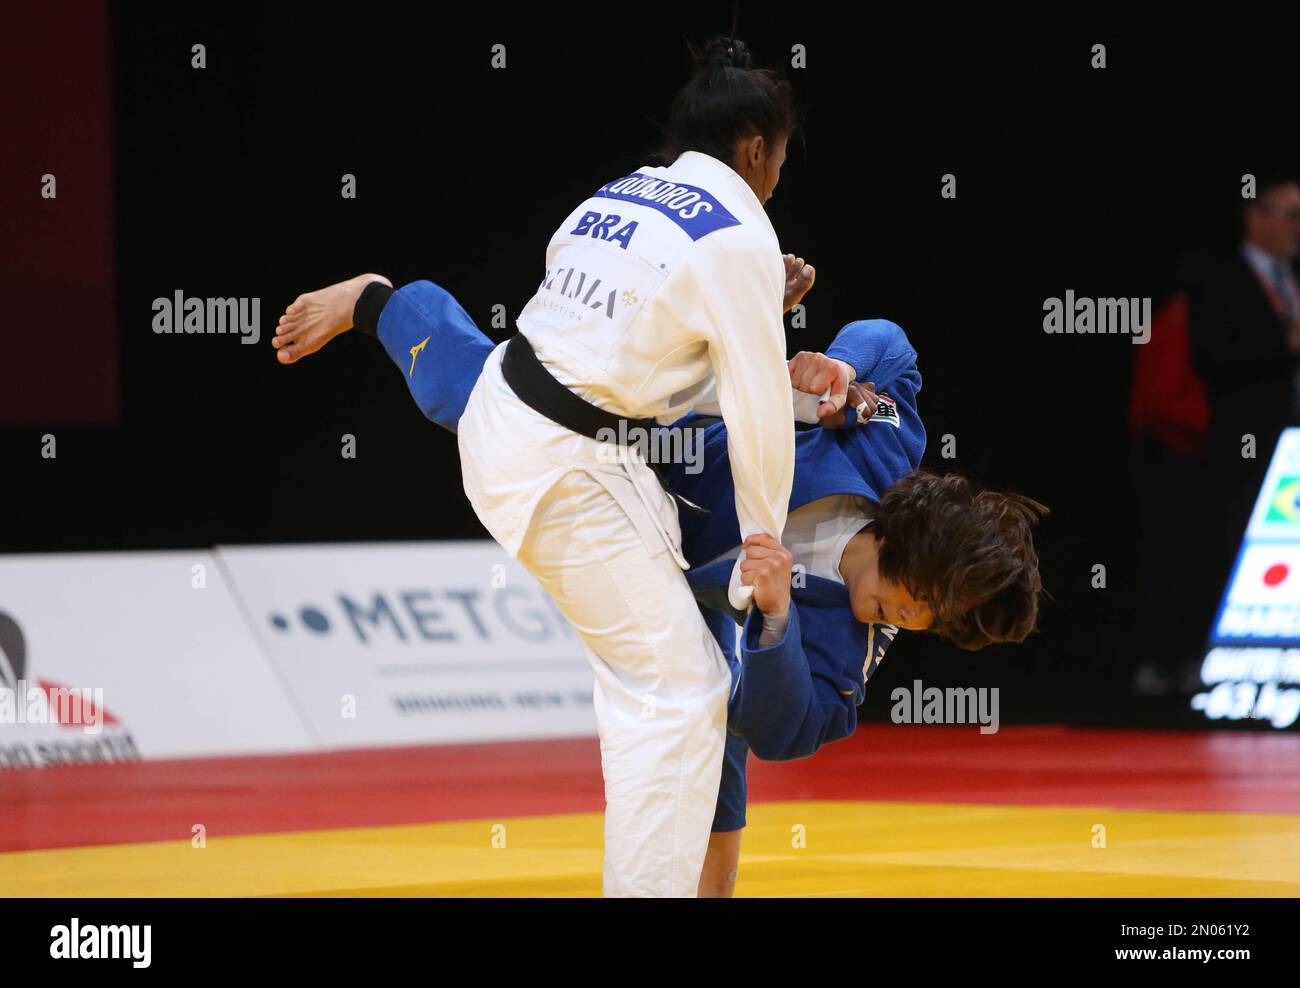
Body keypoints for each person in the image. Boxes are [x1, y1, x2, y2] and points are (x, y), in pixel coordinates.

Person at [273, 274, 1046, 897]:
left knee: (712, 754)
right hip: (664, 436)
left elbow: (789, 729)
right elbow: (893, 344)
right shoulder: (885, 445)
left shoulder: (849, 640)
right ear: (906, 538)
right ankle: (378, 301)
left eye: (929, 621)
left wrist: (778, 617)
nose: (907, 618)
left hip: (685, 580)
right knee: (475, 399)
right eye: (914, 594)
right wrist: (843, 365)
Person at [276, 36, 809, 898]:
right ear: (757, 150)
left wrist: (745, 304)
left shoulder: (619, 194)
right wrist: (763, 546)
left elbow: (624, 357)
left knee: (462, 371)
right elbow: (753, 405)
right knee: (677, 691)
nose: (780, 173)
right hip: (562, 467)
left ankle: (379, 304)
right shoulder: (745, 231)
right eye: (783, 156)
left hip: (511, 399)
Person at [1189, 176, 1300, 591]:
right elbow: (1211, 357)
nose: (1298, 226)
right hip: (1246, 445)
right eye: (1291, 214)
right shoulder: (1219, 277)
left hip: (1295, 442)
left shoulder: (1291, 278)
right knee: (1235, 552)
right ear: (1256, 215)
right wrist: (1284, 343)